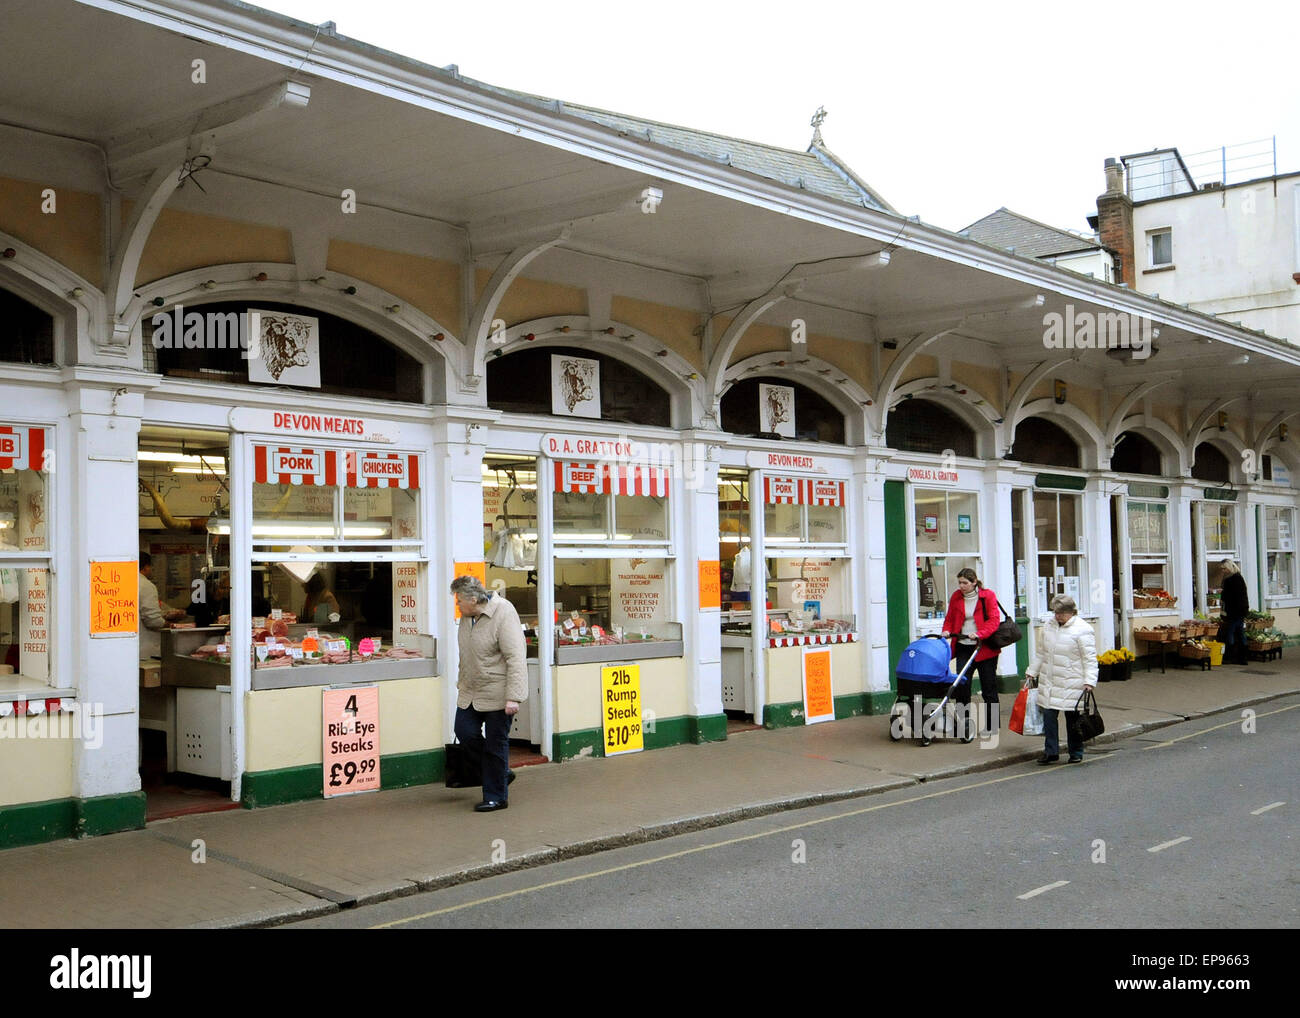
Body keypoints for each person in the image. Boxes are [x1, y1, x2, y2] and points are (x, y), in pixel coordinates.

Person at [451, 575, 526, 812]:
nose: (457, 604)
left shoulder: (503, 613)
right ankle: (501, 772)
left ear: (473, 599)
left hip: (498, 692)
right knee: (464, 731)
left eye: (459, 600)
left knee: (496, 745)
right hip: (470, 692)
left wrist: (513, 696)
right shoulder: (467, 617)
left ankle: (496, 796)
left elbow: (515, 657)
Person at [1024, 594, 1097, 764]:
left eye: (1061, 613)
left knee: (1072, 719)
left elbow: (1089, 658)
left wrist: (1089, 681)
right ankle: (1051, 752)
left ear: (1071, 612)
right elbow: (1041, 652)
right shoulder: (1049, 626)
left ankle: (1076, 752)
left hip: (1072, 680)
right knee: (1049, 717)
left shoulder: (1083, 629)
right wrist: (1032, 671)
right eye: (1055, 613)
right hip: (1050, 679)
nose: (1058, 616)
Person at [939, 567, 1001, 738]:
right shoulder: (956, 597)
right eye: (959, 582)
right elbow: (950, 618)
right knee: (962, 685)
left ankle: (992, 725)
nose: (961, 586)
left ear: (974, 582)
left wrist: (980, 634)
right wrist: (946, 631)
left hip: (984, 647)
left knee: (988, 687)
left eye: (965, 583)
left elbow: (994, 620)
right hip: (963, 646)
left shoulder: (987, 596)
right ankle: (963, 721)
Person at [138, 553, 185, 659]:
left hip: (133, 648)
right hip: (146, 650)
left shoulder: (125, 582)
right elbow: (153, 621)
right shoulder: (146, 586)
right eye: (150, 567)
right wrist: (172, 625)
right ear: (146, 567)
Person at [1219, 559, 1249, 666]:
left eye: (1224, 569)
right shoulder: (1239, 577)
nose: (1223, 571)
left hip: (1233, 611)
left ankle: (1230, 656)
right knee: (1241, 633)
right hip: (1241, 610)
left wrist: (1222, 594)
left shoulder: (1230, 580)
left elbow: (1227, 597)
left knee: (1230, 633)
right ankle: (1243, 657)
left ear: (1228, 568)